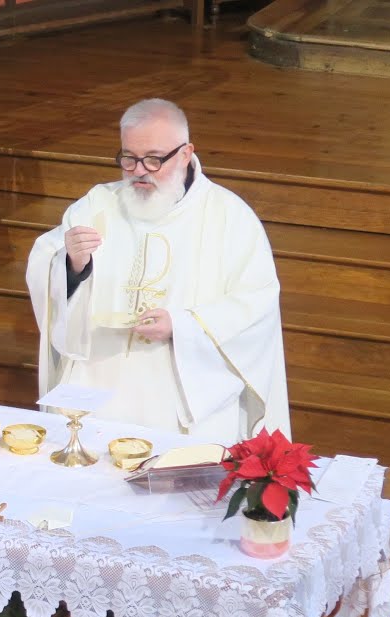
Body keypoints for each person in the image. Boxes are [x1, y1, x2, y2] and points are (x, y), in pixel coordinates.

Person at [26, 98, 290, 445]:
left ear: (185, 154)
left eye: (153, 159)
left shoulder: (229, 217)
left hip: (181, 392)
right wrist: (72, 265)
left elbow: (256, 304)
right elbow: (47, 266)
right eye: (129, 158)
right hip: (98, 383)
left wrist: (182, 326)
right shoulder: (98, 203)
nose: (139, 171)